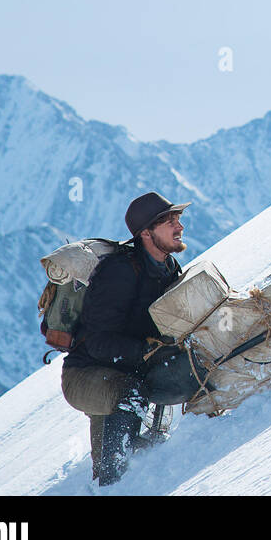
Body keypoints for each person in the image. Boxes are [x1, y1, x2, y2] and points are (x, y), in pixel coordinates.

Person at [61, 191, 202, 485]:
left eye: (179, 218)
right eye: (169, 221)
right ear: (146, 233)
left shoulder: (168, 268)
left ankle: (133, 463)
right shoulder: (120, 272)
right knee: (130, 396)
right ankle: (116, 486)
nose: (180, 226)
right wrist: (146, 352)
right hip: (86, 375)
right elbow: (98, 342)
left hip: (127, 372)